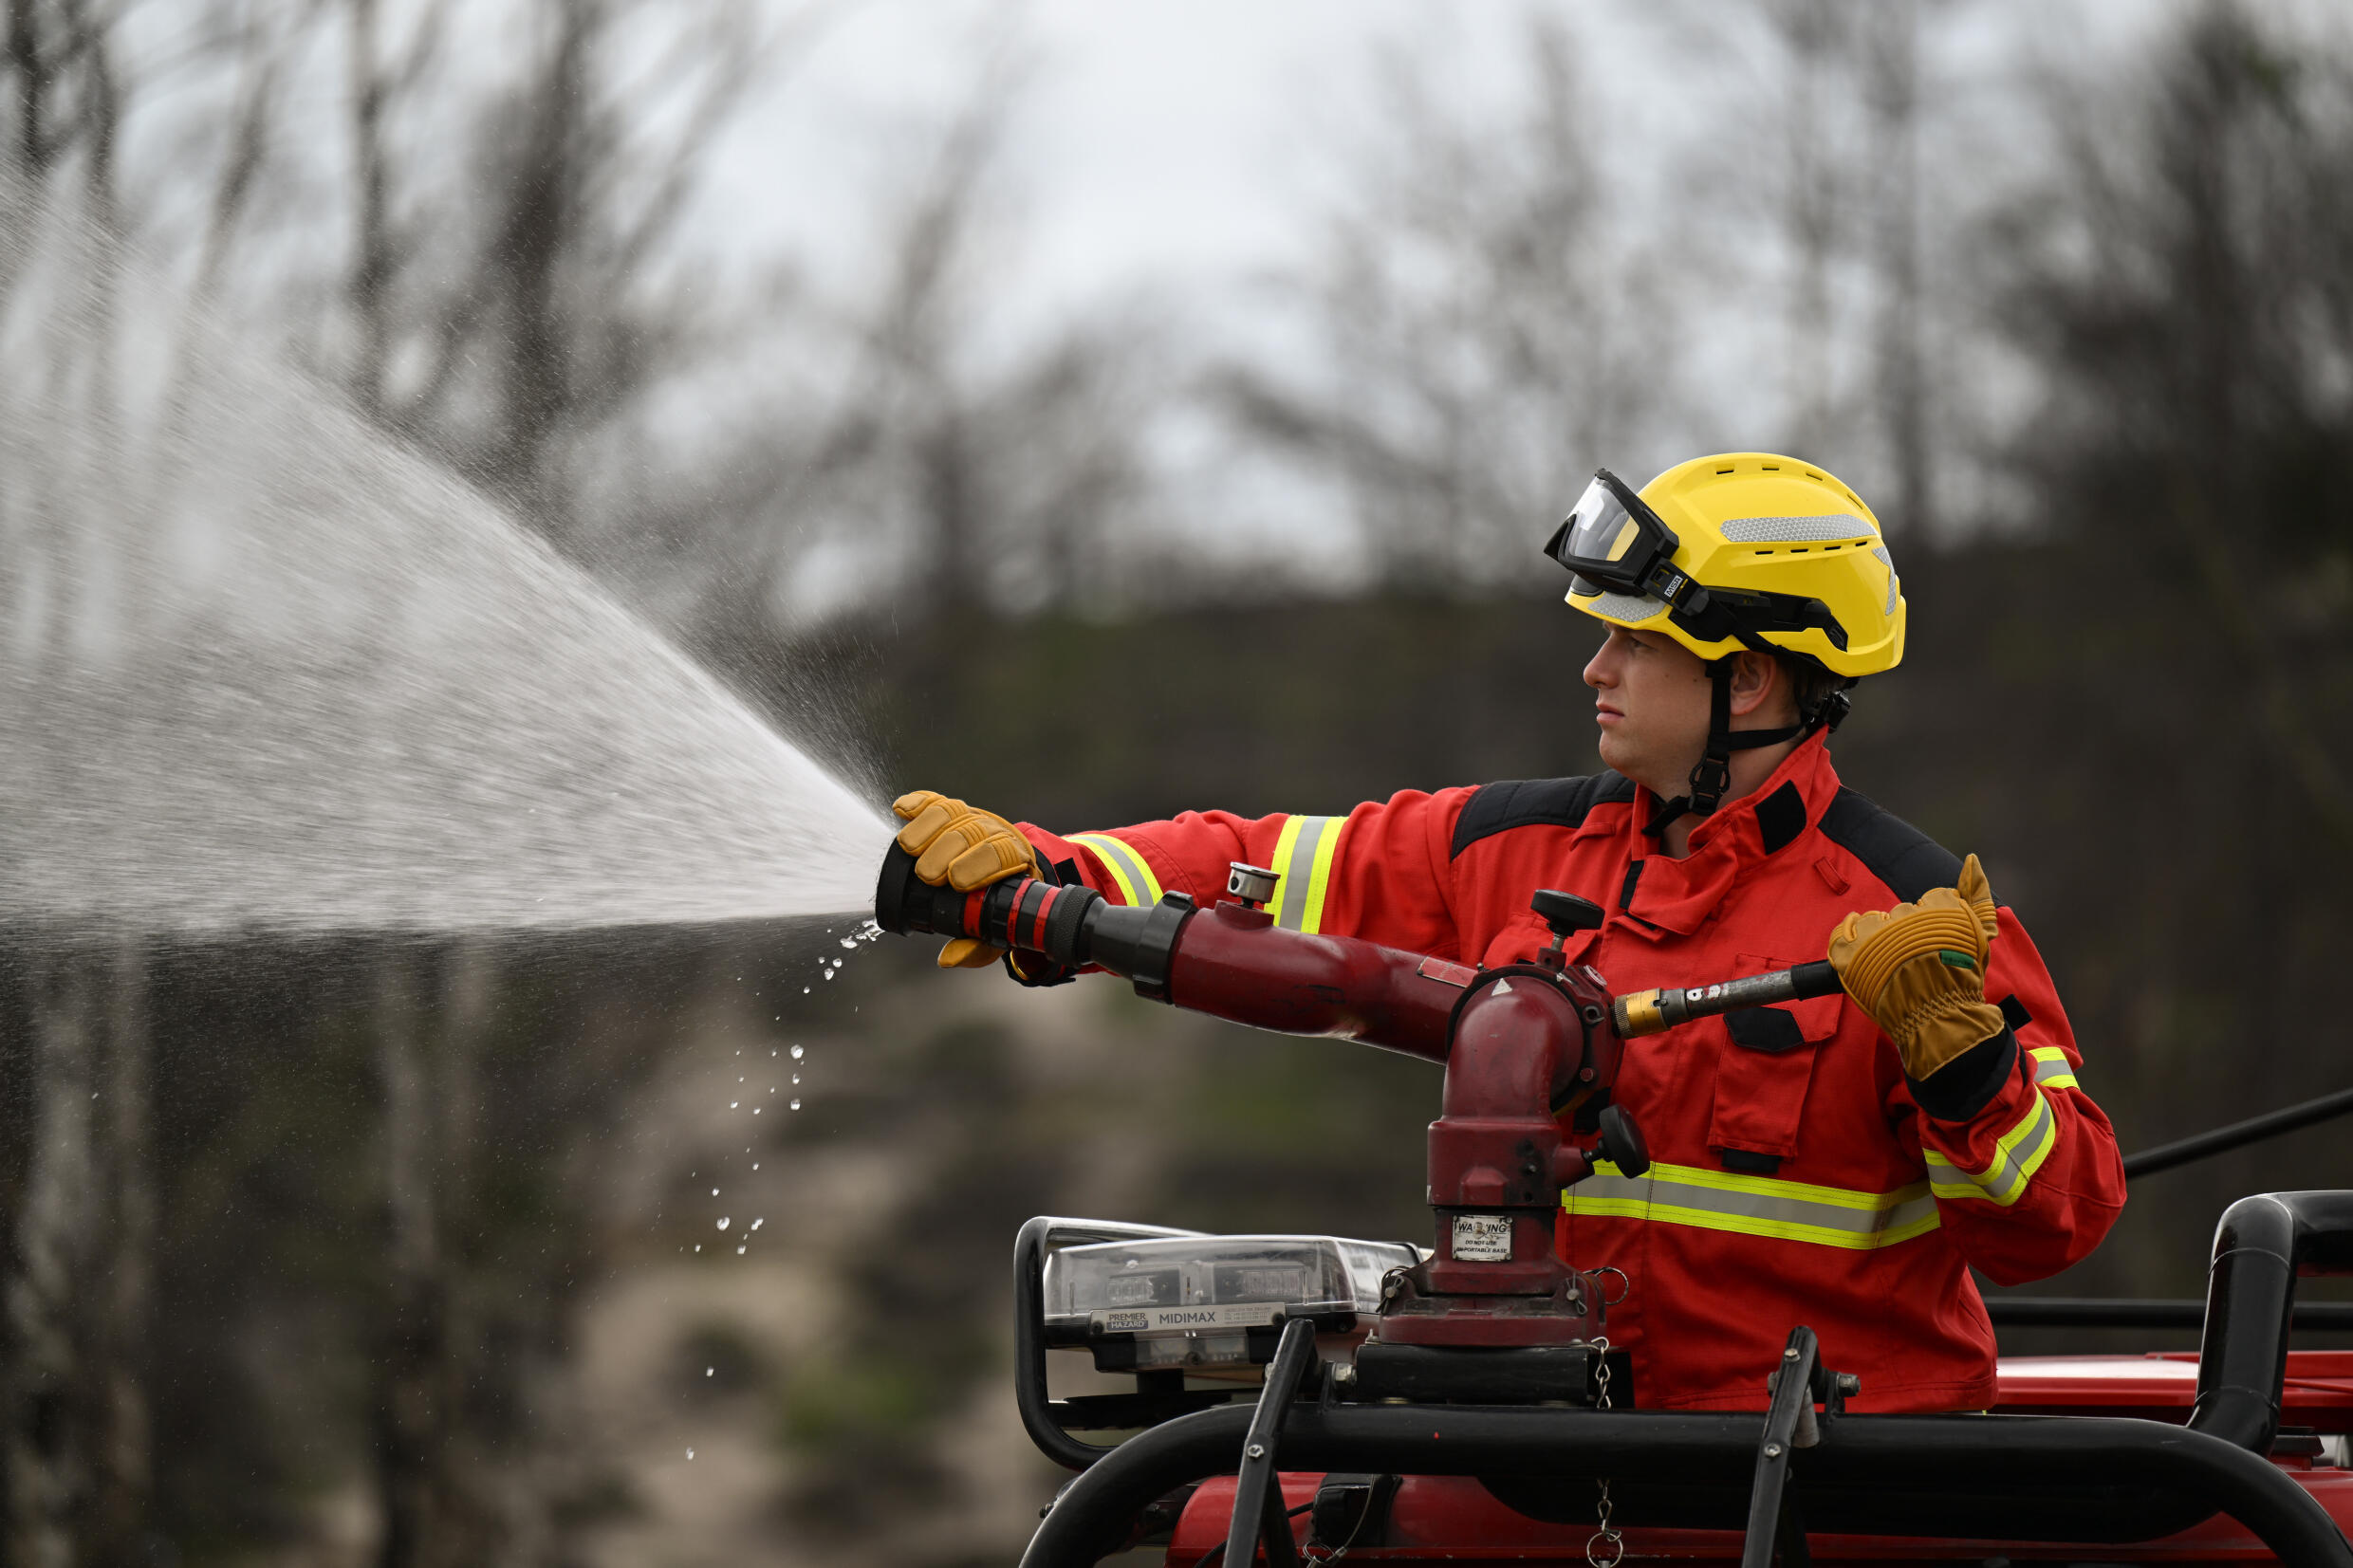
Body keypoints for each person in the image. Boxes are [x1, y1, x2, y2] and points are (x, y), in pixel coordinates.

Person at [890, 452, 2124, 1414]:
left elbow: (2053, 1222)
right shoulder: (1511, 849)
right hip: (1544, 1457)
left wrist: (1962, 1057)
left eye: (1633, 641)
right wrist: (1045, 869)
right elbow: (1259, 866)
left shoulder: (1922, 925)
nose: (1595, 668)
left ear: (1746, 681)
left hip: (1833, 1496)